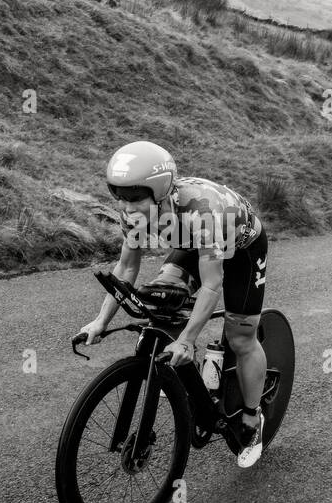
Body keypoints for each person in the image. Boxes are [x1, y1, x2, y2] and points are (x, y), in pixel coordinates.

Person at [78, 141, 270, 468]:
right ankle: (189, 374)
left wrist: (187, 339)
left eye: (135, 198)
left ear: (160, 192)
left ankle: (253, 418)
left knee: (240, 337)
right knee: (162, 295)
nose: (126, 208)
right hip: (193, 242)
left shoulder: (206, 214)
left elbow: (212, 284)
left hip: (241, 249)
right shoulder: (136, 212)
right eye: (119, 197)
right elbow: (125, 270)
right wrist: (100, 321)